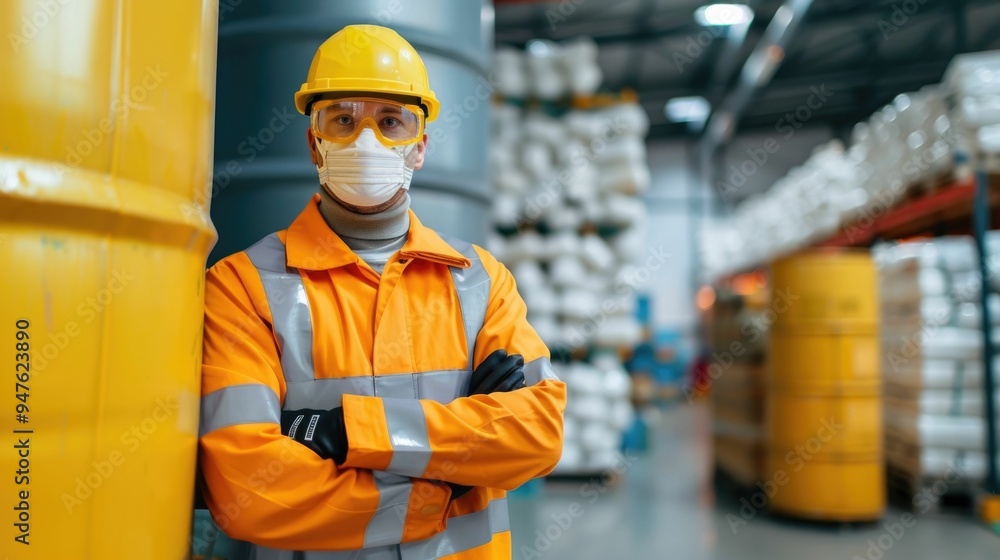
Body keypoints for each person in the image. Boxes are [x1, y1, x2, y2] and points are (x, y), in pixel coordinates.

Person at [198, 24, 566, 559]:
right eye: (342, 120)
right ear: (313, 142)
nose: (365, 141)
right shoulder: (242, 287)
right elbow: (247, 491)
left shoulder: (480, 280)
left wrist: (349, 430)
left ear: (419, 146)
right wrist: (443, 483)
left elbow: (539, 433)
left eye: (391, 122)